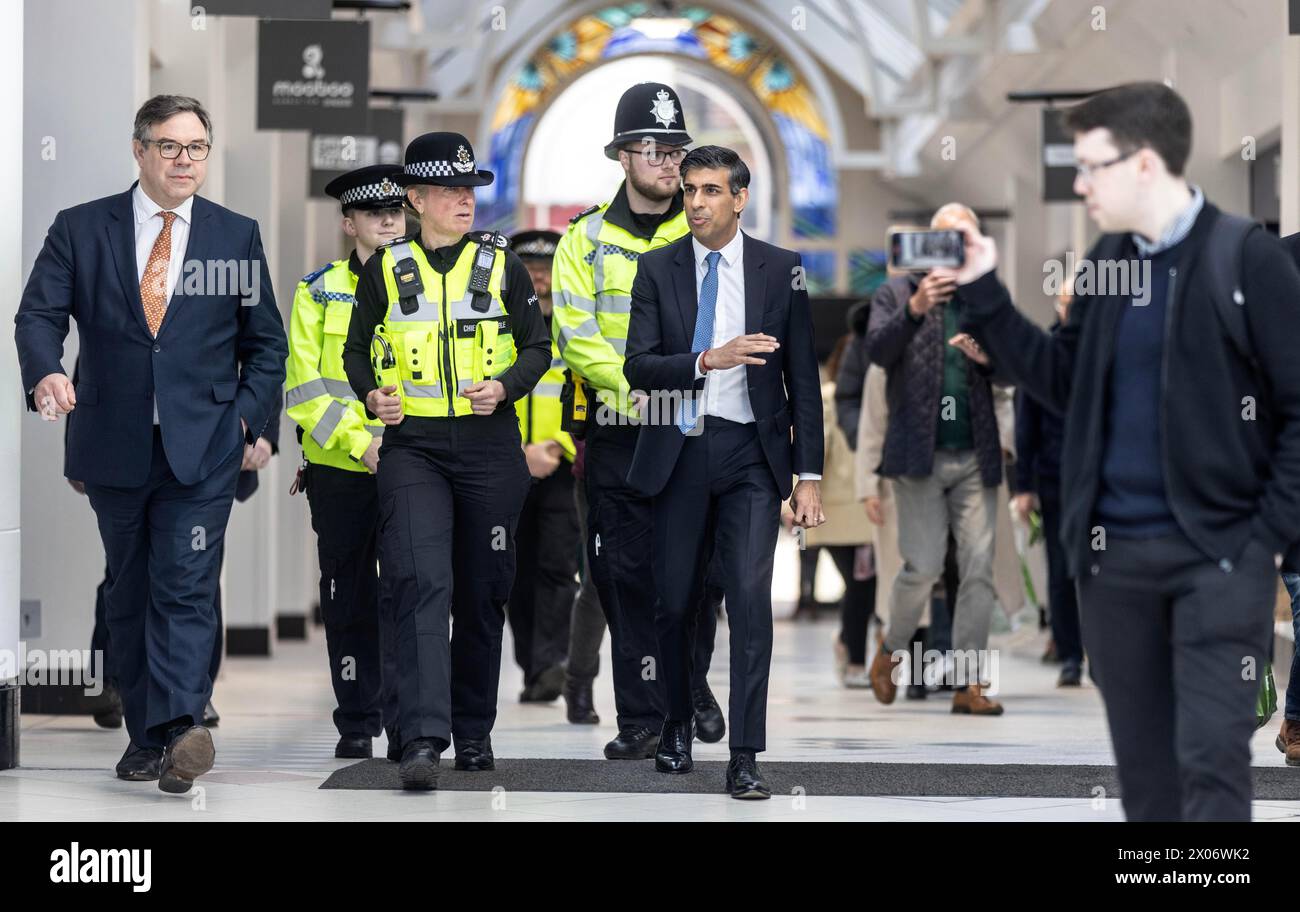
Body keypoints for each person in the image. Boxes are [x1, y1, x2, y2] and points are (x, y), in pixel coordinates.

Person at [956, 82, 1300, 821]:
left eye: (1091, 166)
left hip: (1218, 560)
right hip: (1112, 568)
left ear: (1144, 163)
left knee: (1212, 766)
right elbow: (1061, 380)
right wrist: (984, 287)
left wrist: (1264, 537)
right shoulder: (1110, 261)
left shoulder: (1249, 259)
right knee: (1148, 787)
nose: (1079, 184)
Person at [13, 94, 287, 794]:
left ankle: (178, 731)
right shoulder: (82, 229)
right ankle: (146, 738)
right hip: (115, 443)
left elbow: (266, 347)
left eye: (196, 147)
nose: (184, 160)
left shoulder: (235, 235)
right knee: (131, 588)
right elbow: (38, 313)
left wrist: (248, 424)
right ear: (139, 150)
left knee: (186, 585)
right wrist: (47, 371)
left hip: (205, 448)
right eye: (170, 146)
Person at [342, 132, 550, 790]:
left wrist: (508, 385)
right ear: (416, 199)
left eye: (469, 191)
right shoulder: (385, 269)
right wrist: (370, 395)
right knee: (419, 583)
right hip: (415, 452)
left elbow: (538, 347)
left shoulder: (501, 266)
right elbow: (353, 353)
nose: (465, 201)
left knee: (482, 590)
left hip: (490, 450)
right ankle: (423, 738)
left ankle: (475, 730)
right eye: (450, 191)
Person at [623, 145, 824, 799]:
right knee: (676, 602)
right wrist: (709, 359)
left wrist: (809, 475)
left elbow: (804, 381)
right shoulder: (657, 269)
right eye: (689, 191)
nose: (697, 202)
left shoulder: (781, 270)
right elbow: (639, 366)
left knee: (748, 599)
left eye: (711, 190)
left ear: (740, 197)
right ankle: (677, 723)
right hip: (679, 454)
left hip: (749, 461)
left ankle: (744, 755)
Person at [552, 82, 723, 759]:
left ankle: (692, 681)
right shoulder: (584, 240)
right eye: (649, 147)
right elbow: (577, 332)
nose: (663, 159)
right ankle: (643, 720)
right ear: (623, 155)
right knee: (622, 577)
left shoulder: (711, 230)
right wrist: (639, 387)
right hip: (622, 430)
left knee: (700, 574)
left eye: (673, 148)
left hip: (697, 427)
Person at [865, 204, 1007, 715]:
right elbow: (877, 353)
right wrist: (916, 307)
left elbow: (1015, 367)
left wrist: (990, 359)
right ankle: (890, 651)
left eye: (963, 239)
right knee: (921, 566)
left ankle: (968, 684)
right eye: (945, 239)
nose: (954, 249)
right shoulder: (896, 292)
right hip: (917, 456)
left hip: (975, 452)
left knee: (978, 570)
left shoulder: (984, 297)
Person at [285, 164, 404, 759]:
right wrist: (364, 443)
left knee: (409, 593)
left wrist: (396, 446)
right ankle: (356, 719)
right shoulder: (318, 289)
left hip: (414, 467)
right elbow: (305, 386)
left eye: (396, 211)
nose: (387, 220)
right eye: (373, 213)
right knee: (347, 595)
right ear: (347, 222)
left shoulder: (429, 284)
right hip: (339, 469)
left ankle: (409, 721)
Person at [507, 229, 581, 704]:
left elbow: (586, 393)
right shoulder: (497, 324)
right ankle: (532, 664)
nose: (538, 279)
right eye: (529, 270)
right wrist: (520, 453)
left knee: (558, 568)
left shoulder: (574, 329)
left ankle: (551, 662)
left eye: (545, 270)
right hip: (507, 466)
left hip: (560, 467)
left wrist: (556, 446)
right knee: (513, 571)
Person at [1009, 281, 1081, 687]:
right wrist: (1024, 486)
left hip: (1103, 482)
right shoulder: (1044, 352)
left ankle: (1101, 653)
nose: (1071, 310)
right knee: (1061, 568)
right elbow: (1026, 426)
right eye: (1066, 303)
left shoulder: (1105, 349)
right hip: (1055, 478)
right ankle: (1070, 653)